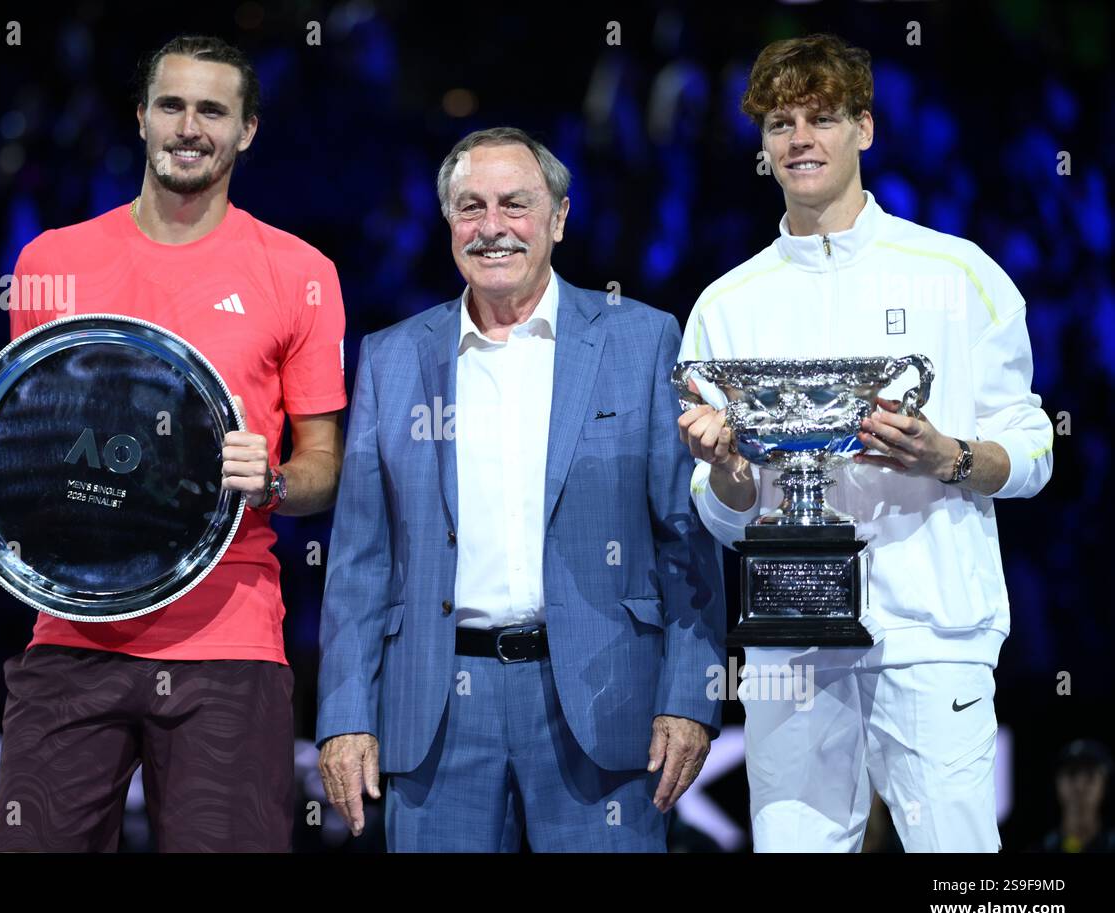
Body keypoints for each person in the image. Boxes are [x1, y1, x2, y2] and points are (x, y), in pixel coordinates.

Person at [0, 35, 347, 852]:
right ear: (143, 118)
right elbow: (32, 445)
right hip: (71, 634)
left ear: (247, 130)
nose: (190, 127)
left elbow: (324, 466)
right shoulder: (50, 261)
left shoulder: (300, 271)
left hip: (230, 640)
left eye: (213, 111)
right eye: (172, 105)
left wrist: (272, 481)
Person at [678, 33, 1053, 852]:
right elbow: (721, 511)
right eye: (780, 123)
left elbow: (1033, 452)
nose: (799, 138)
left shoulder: (958, 275)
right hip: (791, 641)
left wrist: (947, 456)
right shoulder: (726, 305)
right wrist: (731, 474)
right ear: (764, 144)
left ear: (865, 129)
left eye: (820, 117)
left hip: (933, 632)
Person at [316, 127, 725, 852]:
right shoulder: (390, 358)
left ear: (559, 219)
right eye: (471, 207)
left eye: (515, 204)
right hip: (433, 713)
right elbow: (358, 558)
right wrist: (346, 711)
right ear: (448, 224)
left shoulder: (643, 339)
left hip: (608, 705)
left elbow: (684, 536)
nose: (493, 227)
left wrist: (691, 695)